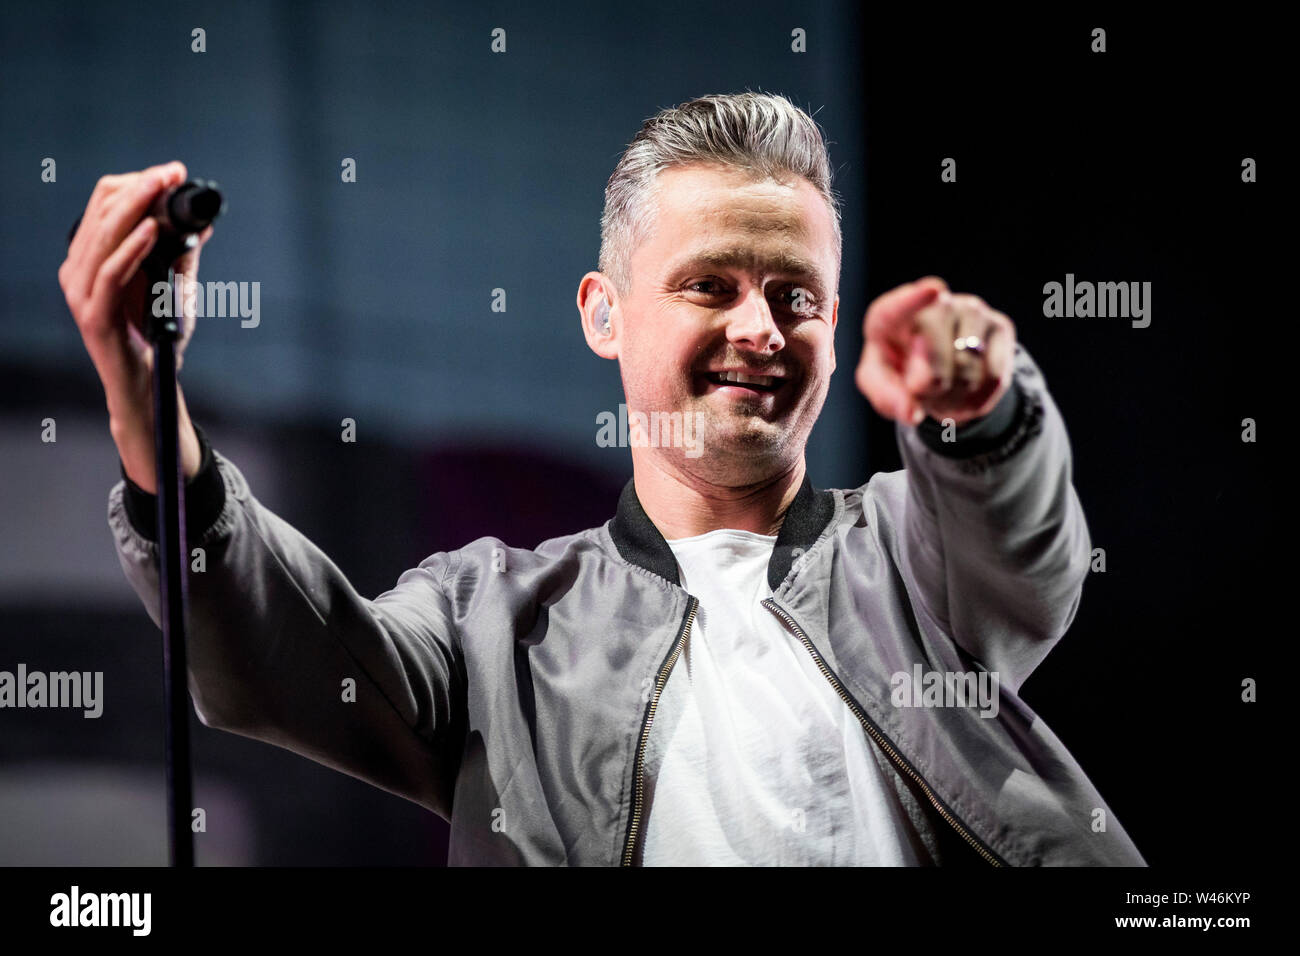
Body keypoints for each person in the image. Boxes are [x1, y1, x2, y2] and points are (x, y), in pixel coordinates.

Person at [59, 92, 1145, 866]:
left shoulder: (912, 555)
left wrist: (978, 408)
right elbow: (281, 655)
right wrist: (144, 396)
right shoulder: (490, 617)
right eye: (709, 283)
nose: (759, 328)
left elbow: (1020, 543)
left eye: (797, 295)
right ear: (602, 314)